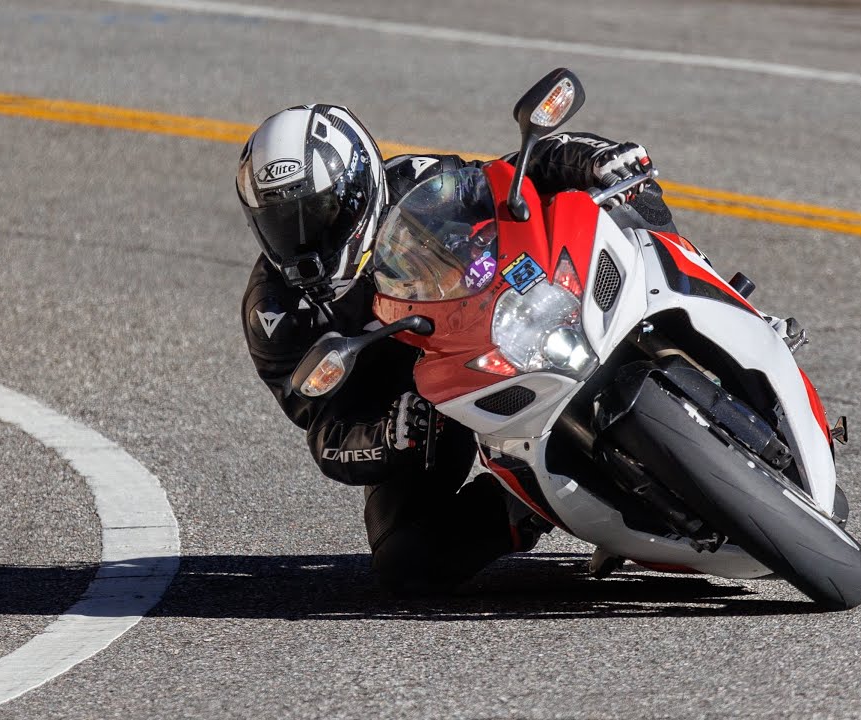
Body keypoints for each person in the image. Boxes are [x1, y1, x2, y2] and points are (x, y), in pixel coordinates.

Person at [237, 103, 681, 594]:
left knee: (624, 193)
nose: (304, 240)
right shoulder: (275, 315)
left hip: (505, 317)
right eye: (280, 222)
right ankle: (530, 504)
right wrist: (387, 435)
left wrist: (590, 158)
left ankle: (700, 314)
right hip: (424, 406)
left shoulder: (417, 184)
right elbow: (325, 431)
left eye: (317, 212)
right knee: (407, 562)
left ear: (358, 188)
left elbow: (511, 174)